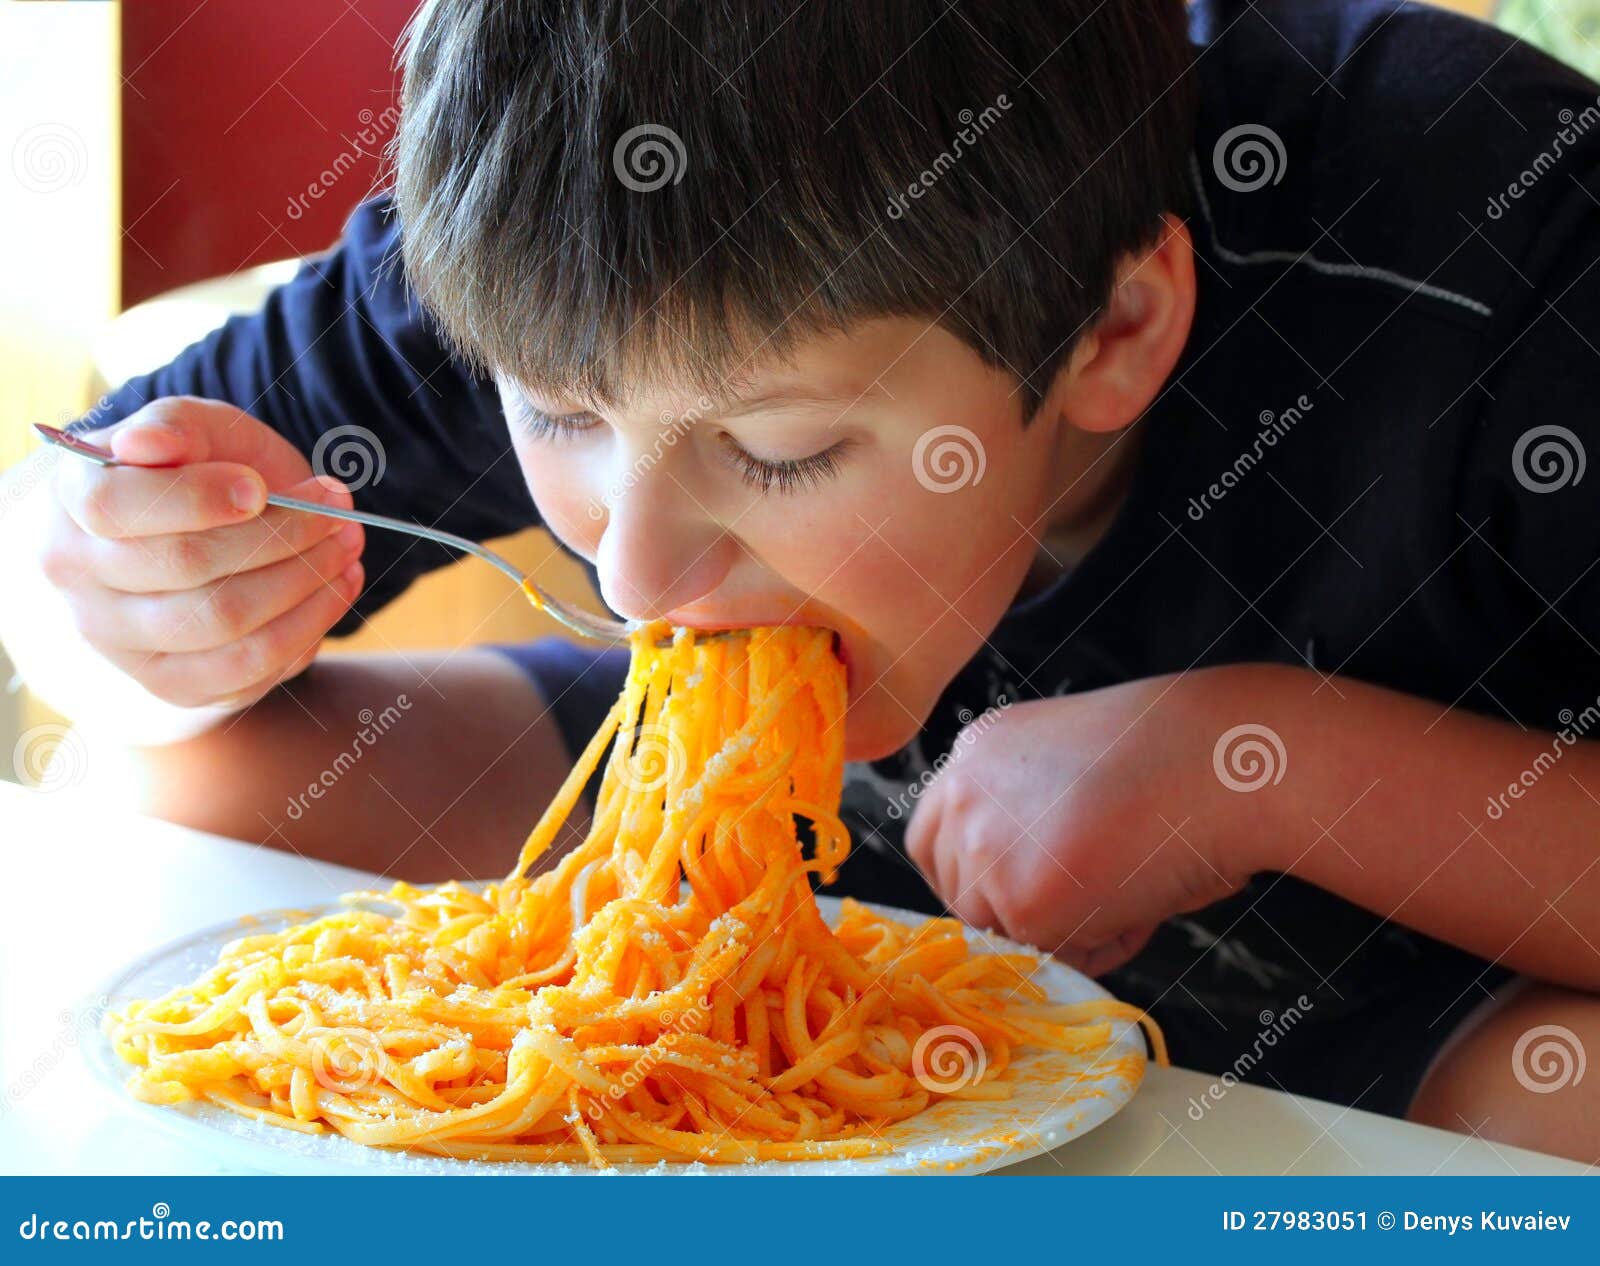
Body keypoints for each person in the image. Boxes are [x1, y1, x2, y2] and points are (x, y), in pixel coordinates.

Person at [3, 0, 1598, 1162]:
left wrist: (1259, 765)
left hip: (1439, 985)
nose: (633, 574)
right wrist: (102, 590)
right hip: (815, 892)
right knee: (181, 766)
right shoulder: (559, 218)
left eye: (775, 454)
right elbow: (61, 538)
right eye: (559, 415)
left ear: (1118, 328)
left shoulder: (1506, 240)